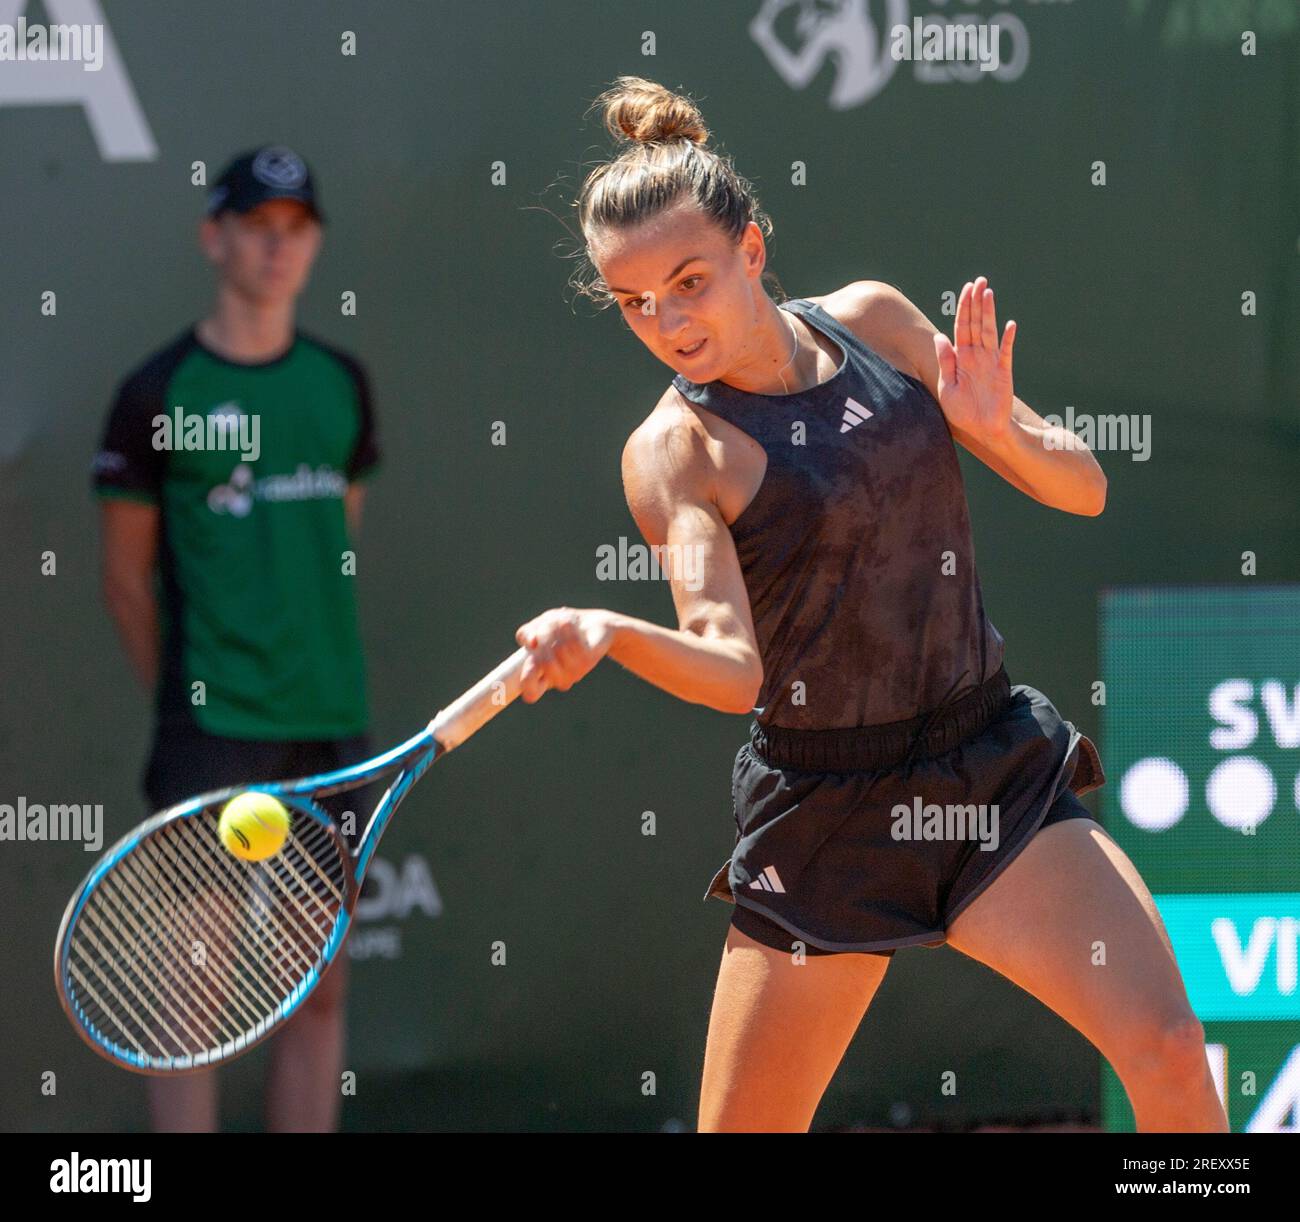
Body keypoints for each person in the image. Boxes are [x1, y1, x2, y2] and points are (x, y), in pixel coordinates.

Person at [512, 77, 1228, 1133]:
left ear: (752, 251)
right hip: (826, 814)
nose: (665, 321)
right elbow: (730, 668)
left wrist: (1000, 427)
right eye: (633, 303)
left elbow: (1085, 487)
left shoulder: (877, 322)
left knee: (1168, 1052)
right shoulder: (676, 453)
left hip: (984, 763)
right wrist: (612, 631)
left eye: (688, 281)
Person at [91, 145, 380, 1132]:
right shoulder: (156, 395)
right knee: (192, 1004)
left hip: (330, 731)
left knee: (319, 991)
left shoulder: (342, 384)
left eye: (296, 229)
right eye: (258, 226)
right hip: (211, 736)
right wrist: (191, 699)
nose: (276, 247)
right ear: (214, 236)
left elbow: (333, 543)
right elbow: (125, 582)